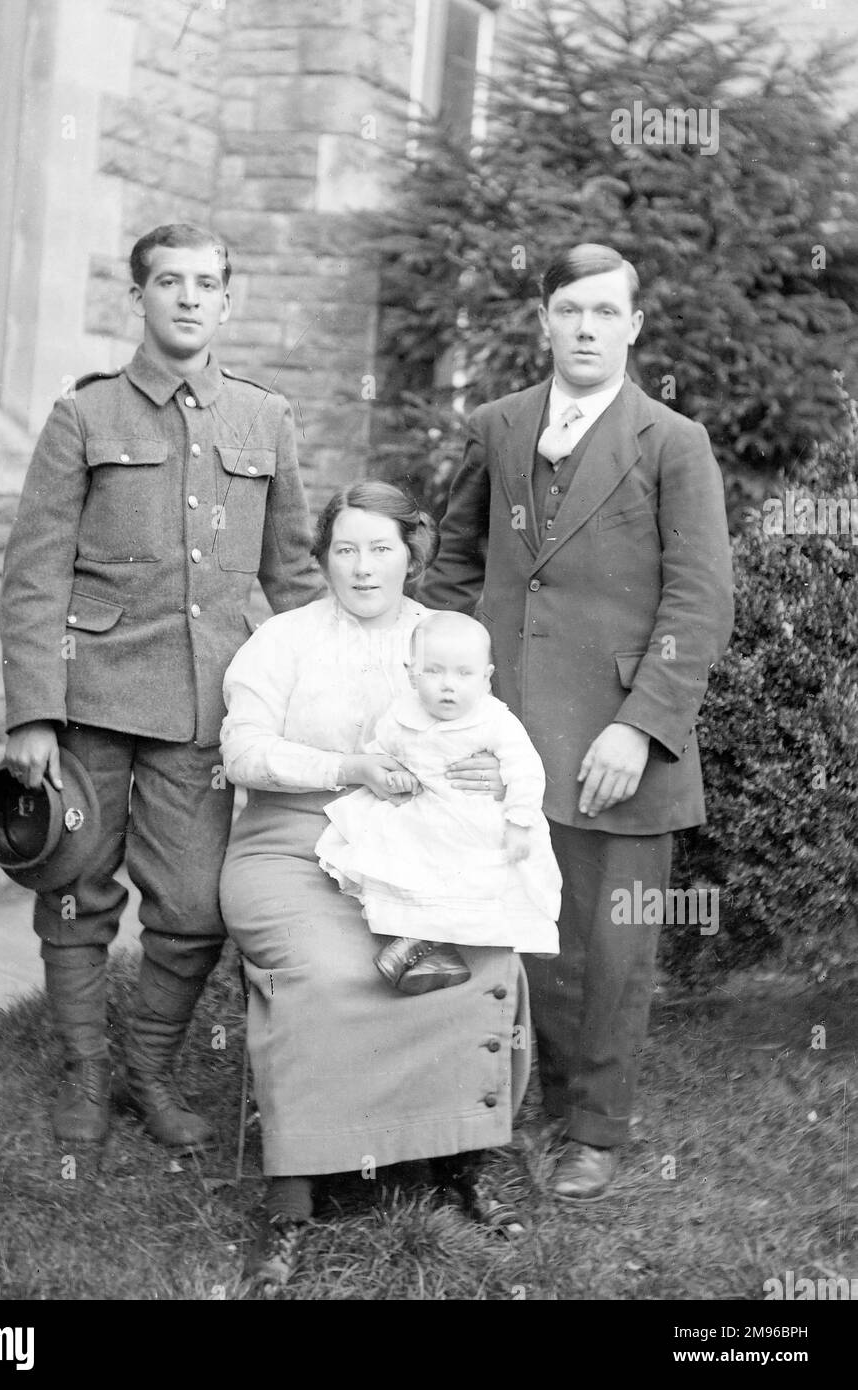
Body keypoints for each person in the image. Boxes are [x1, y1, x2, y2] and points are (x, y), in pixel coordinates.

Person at [418, 243, 734, 1201]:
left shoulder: (673, 443)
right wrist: (449, 692)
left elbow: (699, 598)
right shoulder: (498, 426)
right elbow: (450, 570)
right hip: (501, 731)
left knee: (605, 946)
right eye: (570, 311)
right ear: (543, 320)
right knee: (500, 927)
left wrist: (640, 726)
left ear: (634, 327)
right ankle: (483, 1108)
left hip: (616, 744)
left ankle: (591, 1128)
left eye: (606, 312)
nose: (587, 329)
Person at [0, 222, 324, 1149]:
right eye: (168, 281)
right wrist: (32, 713)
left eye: (206, 283)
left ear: (230, 300)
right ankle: (86, 1072)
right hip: (88, 695)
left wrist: (330, 686)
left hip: (207, 704)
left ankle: (147, 1065)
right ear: (135, 297)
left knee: (191, 905)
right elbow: (34, 573)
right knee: (74, 885)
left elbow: (293, 576)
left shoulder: (266, 418)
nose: (188, 297)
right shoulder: (84, 416)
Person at [219, 481, 532, 1289]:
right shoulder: (282, 640)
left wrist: (482, 770)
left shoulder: (442, 636)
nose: (362, 568)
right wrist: (346, 767)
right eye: (345, 549)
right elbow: (245, 752)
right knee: (331, 973)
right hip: (289, 847)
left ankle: (457, 1157)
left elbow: (491, 732)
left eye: (381, 548)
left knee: (484, 961)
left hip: (415, 849)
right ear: (322, 557)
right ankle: (292, 1201)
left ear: (411, 554)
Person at [315, 611, 561, 994]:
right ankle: (423, 948)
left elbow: (526, 771)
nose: (449, 686)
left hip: (476, 818)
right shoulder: (401, 714)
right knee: (400, 857)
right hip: (423, 811)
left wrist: (518, 822)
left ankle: (421, 947)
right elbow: (382, 754)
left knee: (469, 873)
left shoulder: (494, 720)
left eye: (464, 674)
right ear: (411, 672)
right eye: (434, 672)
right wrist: (396, 775)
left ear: (486, 676)